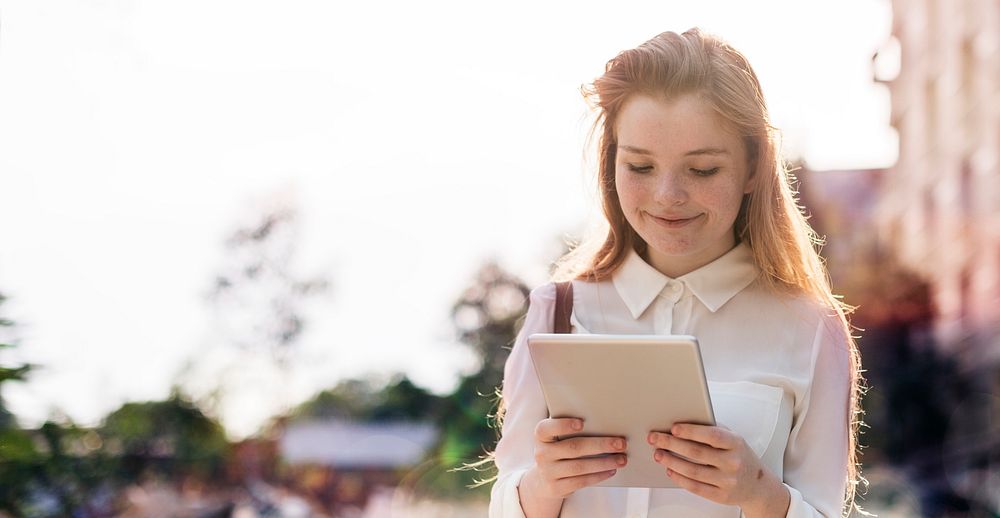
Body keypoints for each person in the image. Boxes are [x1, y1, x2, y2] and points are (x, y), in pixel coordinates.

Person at [487, 28, 864, 518]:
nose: (668, 195)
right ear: (611, 165)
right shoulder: (558, 310)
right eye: (640, 167)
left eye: (702, 170)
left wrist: (759, 494)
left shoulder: (812, 329)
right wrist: (544, 484)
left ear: (752, 170)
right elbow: (504, 503)